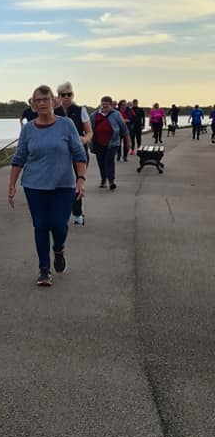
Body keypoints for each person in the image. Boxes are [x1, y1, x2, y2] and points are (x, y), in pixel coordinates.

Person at [8, 85, 86, 287]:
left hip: (63, 185)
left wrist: (81, 179)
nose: (42, 103)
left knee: (59, 225)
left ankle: (58, 249)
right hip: (34, 185)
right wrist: (12, 185)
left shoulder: (67, 125)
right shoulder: (28, 129)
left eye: (45, 99)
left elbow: (79, 155)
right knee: (40, 225)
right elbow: (19, 158)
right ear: (33, 105)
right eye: (37, 100)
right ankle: (44, 269)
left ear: (54, 101)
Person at [54, 82, 91, 225]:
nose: (66, 97)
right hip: (59, 154)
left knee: (77, 182)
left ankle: (77, 213)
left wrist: (84, 139)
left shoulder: (80, 110)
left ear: (73, 95)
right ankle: (60, 211)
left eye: (69, 94)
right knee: (60, 183)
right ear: (58, 96)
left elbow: (89, 132)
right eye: (63, 95)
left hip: (78, 153)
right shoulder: (53, 112)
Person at [91, 96, 131, 190]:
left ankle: (111, 181)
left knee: (109, 160)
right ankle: (103, 179)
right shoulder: (94, 115)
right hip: (98, 142)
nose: (104, 106)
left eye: (106, 105)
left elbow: (124, 129)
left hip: (112, 142)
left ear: (111, 105)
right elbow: (90, 129)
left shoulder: (116, 114)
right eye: (103, 104)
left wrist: (128, 141)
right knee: (101, 162)